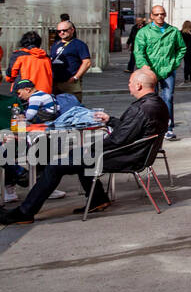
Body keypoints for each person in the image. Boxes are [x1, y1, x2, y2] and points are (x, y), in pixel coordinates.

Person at [1, 68, 170, 225]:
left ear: (139, 85)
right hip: (137, 153)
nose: (129, 85)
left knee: (56, 166)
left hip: (128, 156)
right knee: (78, 154)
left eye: (130, 82)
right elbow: (129, 130)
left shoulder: (141, 108)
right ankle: (98, 198)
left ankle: (25, 211)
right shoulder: (157, 103)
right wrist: (109, 120)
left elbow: (119, 139)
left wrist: (93, 148)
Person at [133, 5, 186, 140]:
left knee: (168, 98)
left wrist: (174, 63)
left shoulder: (173, 31)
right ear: (151, 16)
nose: (159, 16)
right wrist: (144, 66)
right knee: (150, 100)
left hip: (168, 70)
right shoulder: (144, 32)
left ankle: (168, 127)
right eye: (156, 14)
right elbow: (138, 51)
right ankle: (152, 128)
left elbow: (181, 48)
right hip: (150, 71)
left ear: (165, 15)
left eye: (162, 14)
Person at [50, 20, 92, 102]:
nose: (61, 33)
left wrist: (76, 77)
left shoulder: (79, 44)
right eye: (59, 31)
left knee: (73, 105)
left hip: (70, 82)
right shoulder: (55, 44)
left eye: (64, 30)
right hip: (55, 82)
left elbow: (87, 62)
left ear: (72, 30)